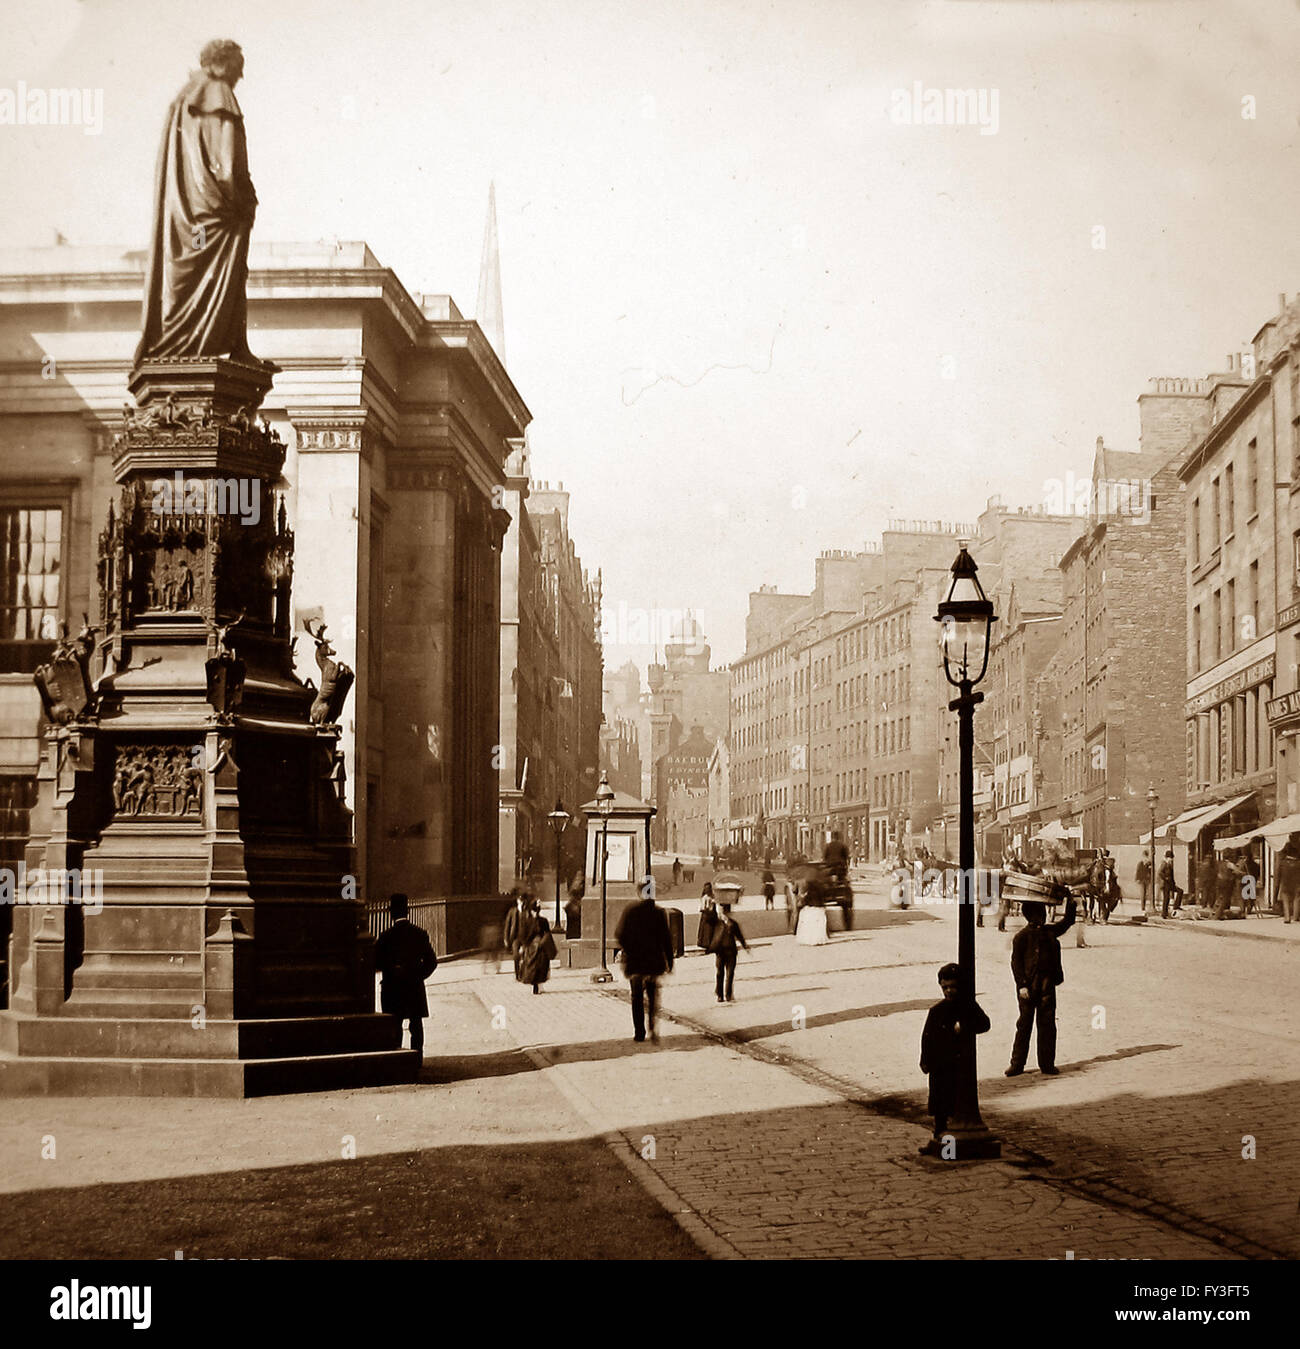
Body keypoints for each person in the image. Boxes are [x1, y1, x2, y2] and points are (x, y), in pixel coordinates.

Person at [919, 962, 991, 1154]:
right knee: (939, 1110)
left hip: (957, 1068)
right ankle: (938, 1141)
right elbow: (926, 1037)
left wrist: (965, 1026)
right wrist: (925, 1061)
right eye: (945, 987)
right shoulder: (936, 1011)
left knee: (953, 1108)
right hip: (939, 1067)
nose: (949, 991)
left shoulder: (967, 1006)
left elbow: (984, 1024)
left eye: (953, 987)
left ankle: (948, 1150)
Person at [1005, 895, 1076, 1077]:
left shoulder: (1050, 932)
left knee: (1047, 1025)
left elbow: (1068, 921)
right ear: (1030, 916)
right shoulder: (1021, 938)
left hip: (1047, 986)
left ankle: (1047, 1064)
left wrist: (1070, 902)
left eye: (1043, 914)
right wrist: (1022, 986)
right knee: (1024, 1025)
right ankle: (1017, 1064)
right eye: (1039, 914)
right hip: (1028, 988)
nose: (1042, 917)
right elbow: (1016, 964)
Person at [373, 894, 438, 1057]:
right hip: (414, 987)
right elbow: (432, 962)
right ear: (407, 911)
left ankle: (397, 1058)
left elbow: (376, 963)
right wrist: (417, 975)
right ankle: (417, 1057)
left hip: (392, 988)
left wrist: (393, 970)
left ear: (391, 913)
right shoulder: (420, 934)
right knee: (416, 1024)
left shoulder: (385, 937)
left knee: (395, 1024)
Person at [614, 879, 674, 1043]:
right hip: (653, 962)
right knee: (653, 996)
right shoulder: (659, 912)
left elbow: (619, 934)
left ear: (639, 893)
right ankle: (652, 1027)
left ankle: (639, 1031)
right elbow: (666, 939)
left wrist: (629, 950)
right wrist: (670, 961)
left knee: (637, 998)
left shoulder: (630, 911)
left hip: (635, 962)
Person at [710, 905, 749, 1002]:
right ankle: (720, 995)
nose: (723, 914)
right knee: (720, 973)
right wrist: (711, 907)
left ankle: (728, 994)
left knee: (730, 973)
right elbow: (707, 919)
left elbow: (739, 936)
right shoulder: (716, 923)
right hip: (720, 951)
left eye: (724, 912)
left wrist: (745, 946)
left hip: (731, 951)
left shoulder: (733, 924)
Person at [503, 887, 539, 982]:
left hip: (526, 938)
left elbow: (533, 922)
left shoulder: (528, 911)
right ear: (517, 901)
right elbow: (507, 925)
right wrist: (506, 939)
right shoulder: (512, 911)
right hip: (515, 938)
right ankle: (517, 974)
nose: (521, 902)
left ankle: (524, 973)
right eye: (519, 900)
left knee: (525, 956)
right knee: (516, 956)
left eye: (522, 900)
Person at [518, 915, 558, 994]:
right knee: (540, 966)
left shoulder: (526, 921)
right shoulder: (543, 920)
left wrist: (523, 945)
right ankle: (538, 985)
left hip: (531, 947)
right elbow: (547, 933)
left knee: (533, 966)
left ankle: (536, 985)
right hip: (540, 946)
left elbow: (523, 935)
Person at [795, 875, 830, 946]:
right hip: (819, 909)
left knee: (808, 923)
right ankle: (818, 940)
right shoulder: (820, 891)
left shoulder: (809, 893)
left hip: (811, 909)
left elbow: (805, 901)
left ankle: (810, 939)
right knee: (819, 925)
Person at [696, 882, 718, 952]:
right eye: (706, 889)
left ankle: (712, 945)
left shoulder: (712, 896)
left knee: (711, 931)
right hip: (707, 916)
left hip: (712, 915)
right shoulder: (705, 898)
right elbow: (703, 908)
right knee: (707, 932)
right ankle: (707, 946)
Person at [1157, 849, 1179, 918]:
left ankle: (1175, 907)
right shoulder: (1164, 864)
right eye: (1170, 858)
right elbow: (1159, 872)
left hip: (1169, 884)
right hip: (1165, 884)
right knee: (1166, 898)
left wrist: (1173, 883)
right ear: (1167, 857)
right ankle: (1164, 914)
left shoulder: (1168, 864)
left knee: (1179, 892)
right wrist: (1165, 878)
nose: (1171, 860)